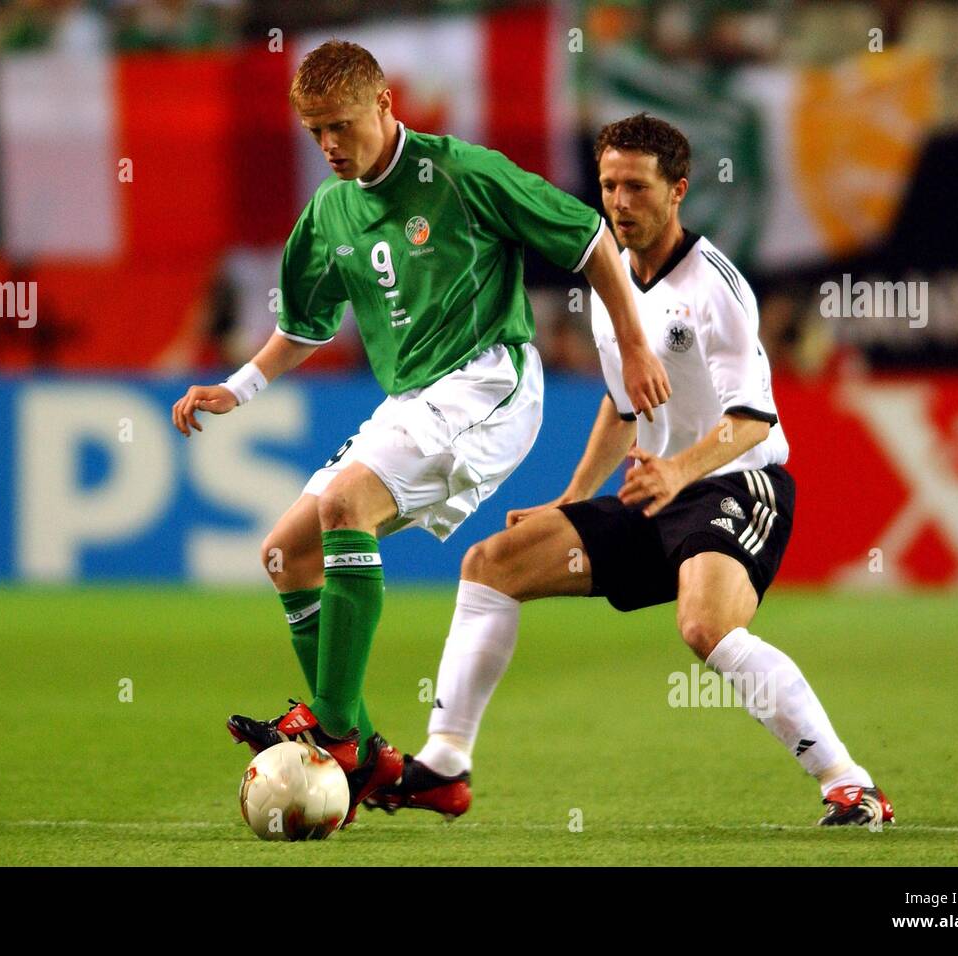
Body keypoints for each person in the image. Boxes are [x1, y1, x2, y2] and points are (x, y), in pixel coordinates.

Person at [170, 46, 671, 823]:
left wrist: (635, 346)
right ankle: (375, 763)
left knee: (345, 508)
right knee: (284, 553)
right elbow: (302, 326)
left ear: (385, 105)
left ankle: (332, 730)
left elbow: (588, 240)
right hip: (410, 398)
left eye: (341, 127)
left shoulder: (463, 173)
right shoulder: (328, 212)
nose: (330, 146)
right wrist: (236, 389)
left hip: (489, 379)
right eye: (315, 133)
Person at [371, 113, 894, 829]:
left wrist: (680, 471)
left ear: (678, 192)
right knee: (491, 563)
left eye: (636, 187)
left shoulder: (715, 288)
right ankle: (445, 763)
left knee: (705, 627)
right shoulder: (610, 286)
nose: (618, 201)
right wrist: (572, 499)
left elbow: (754, 420)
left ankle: (850, 784)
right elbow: (624, 411)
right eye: (609, 185)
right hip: (656, 494)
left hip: (738, 484)